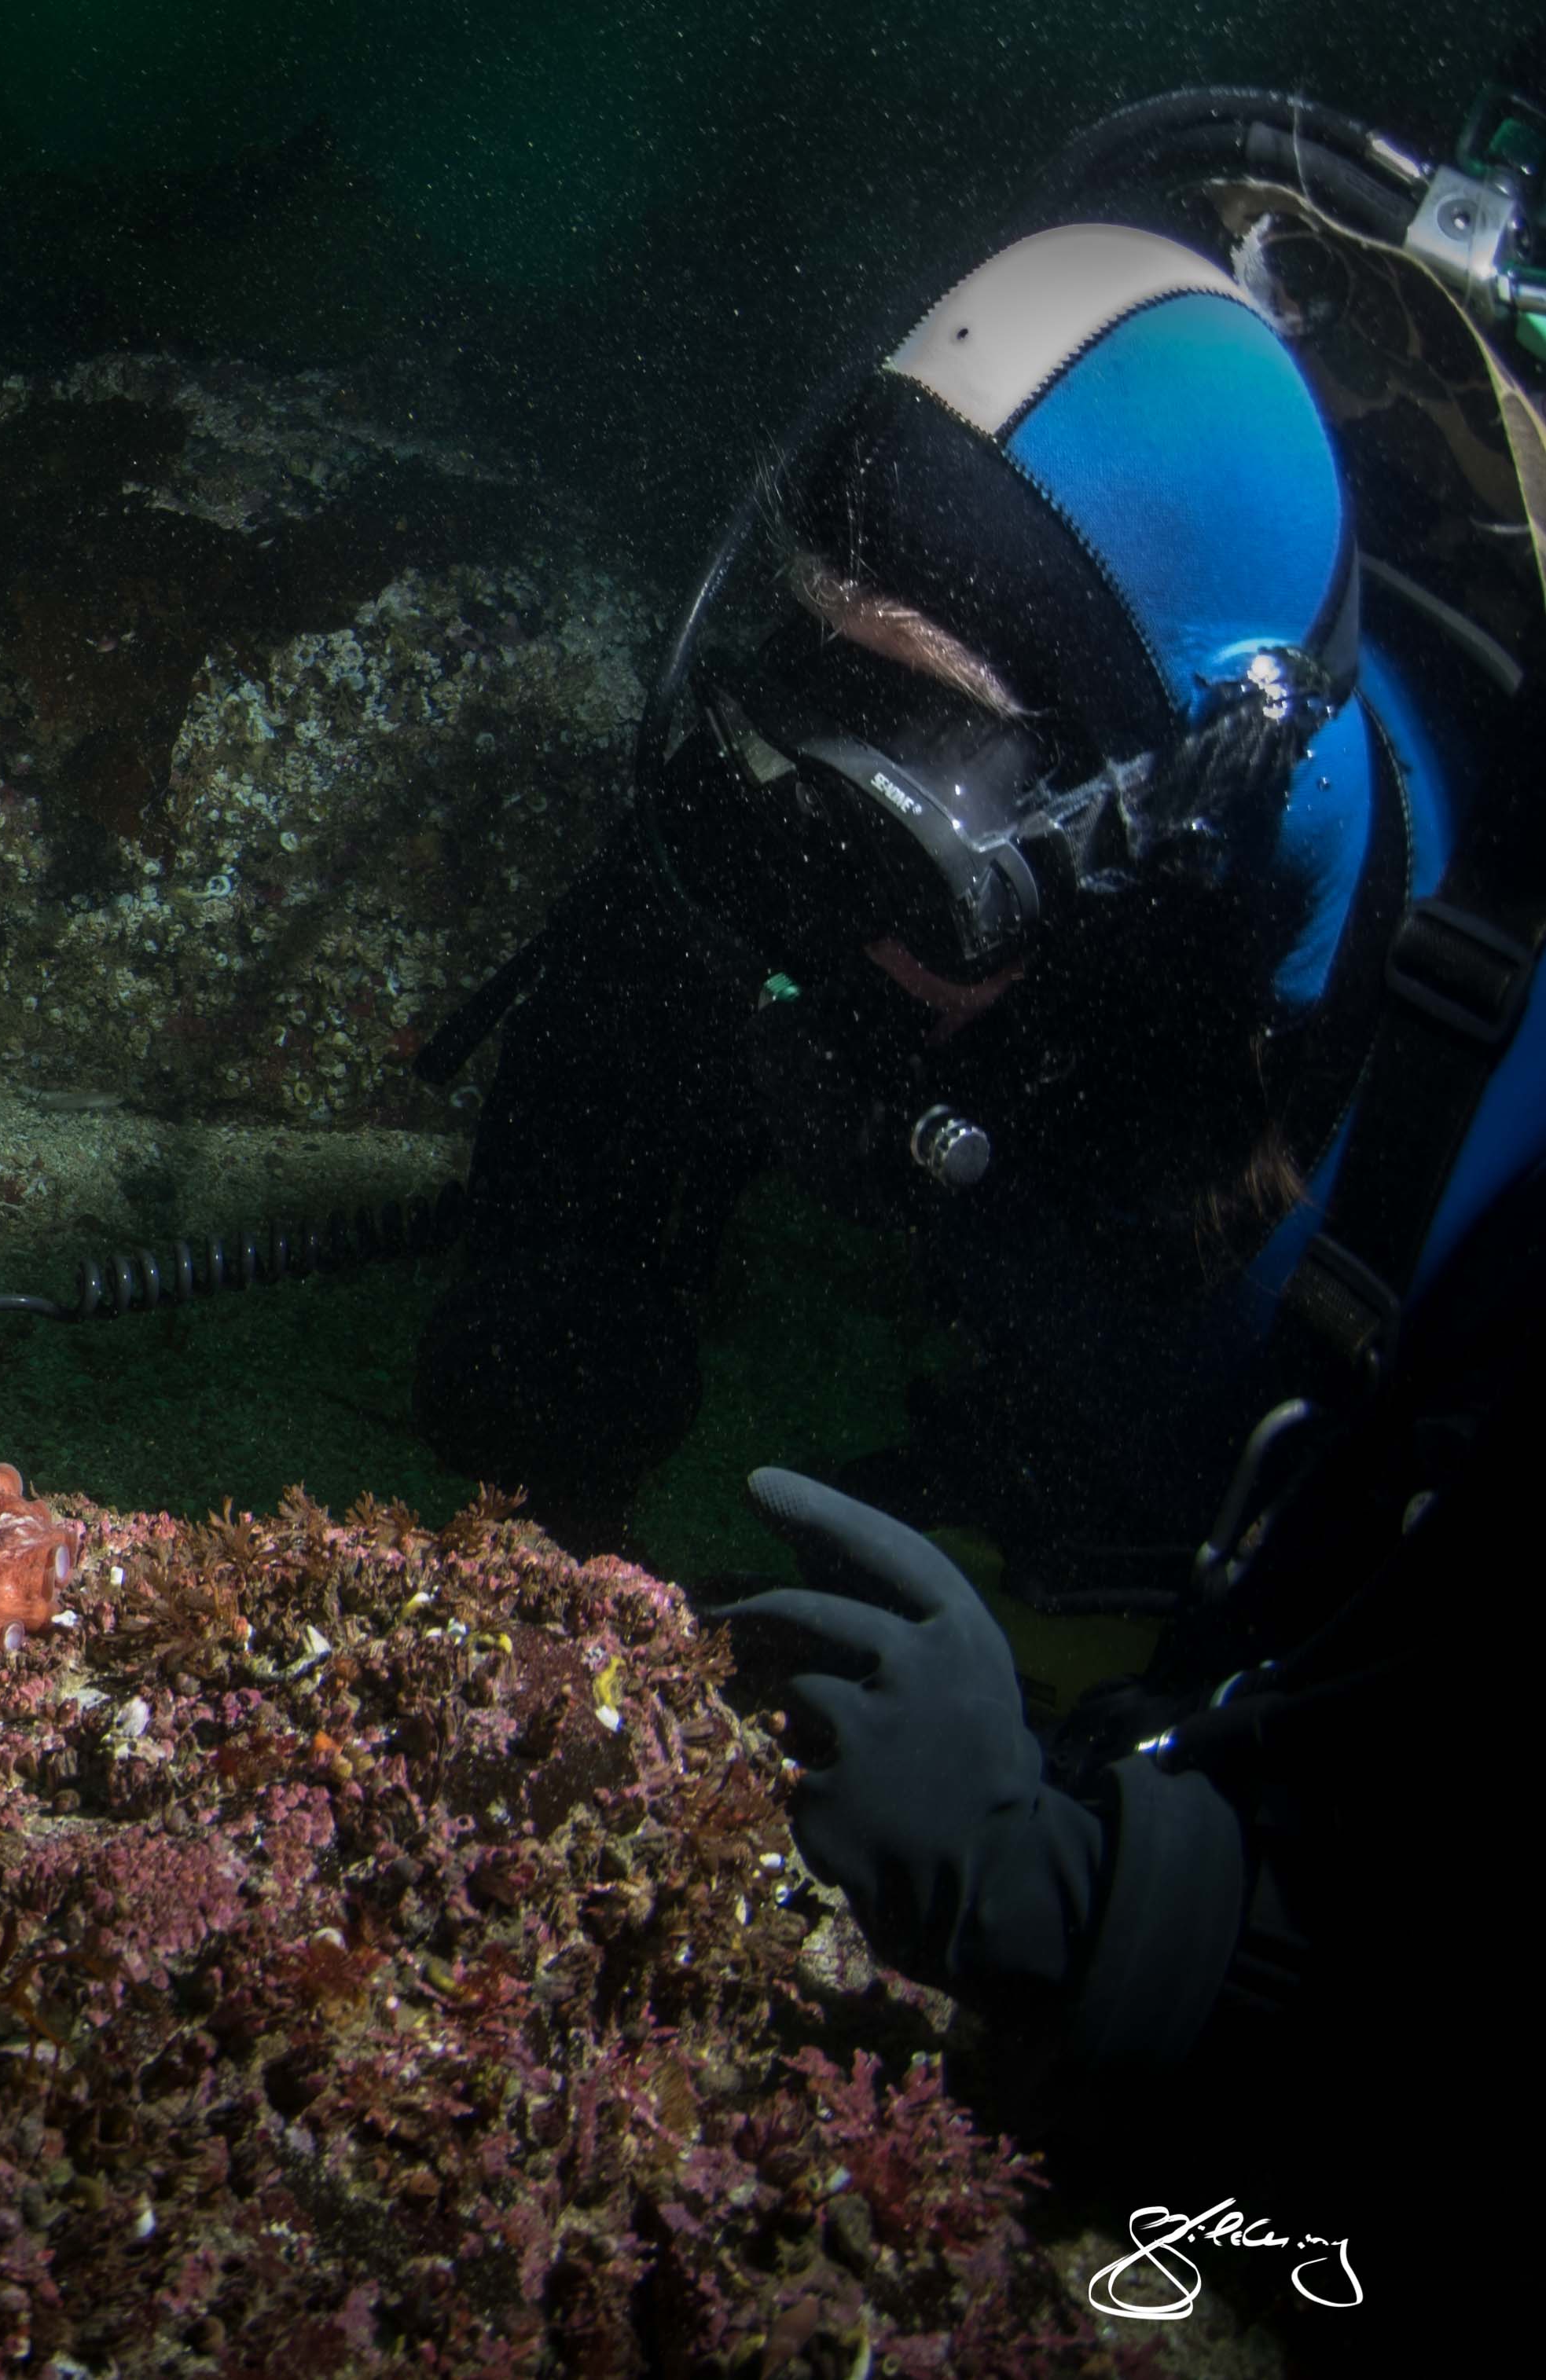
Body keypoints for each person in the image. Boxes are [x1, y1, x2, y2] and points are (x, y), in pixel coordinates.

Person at [411, 75, 1545, 2288]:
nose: (807, 924)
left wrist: (1090, 1903)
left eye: (900, 838)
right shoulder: (855, 883)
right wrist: (530, 1508)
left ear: (1188, 798)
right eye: (784, 778)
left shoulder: (1516, 1135)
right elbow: (612, 1123)